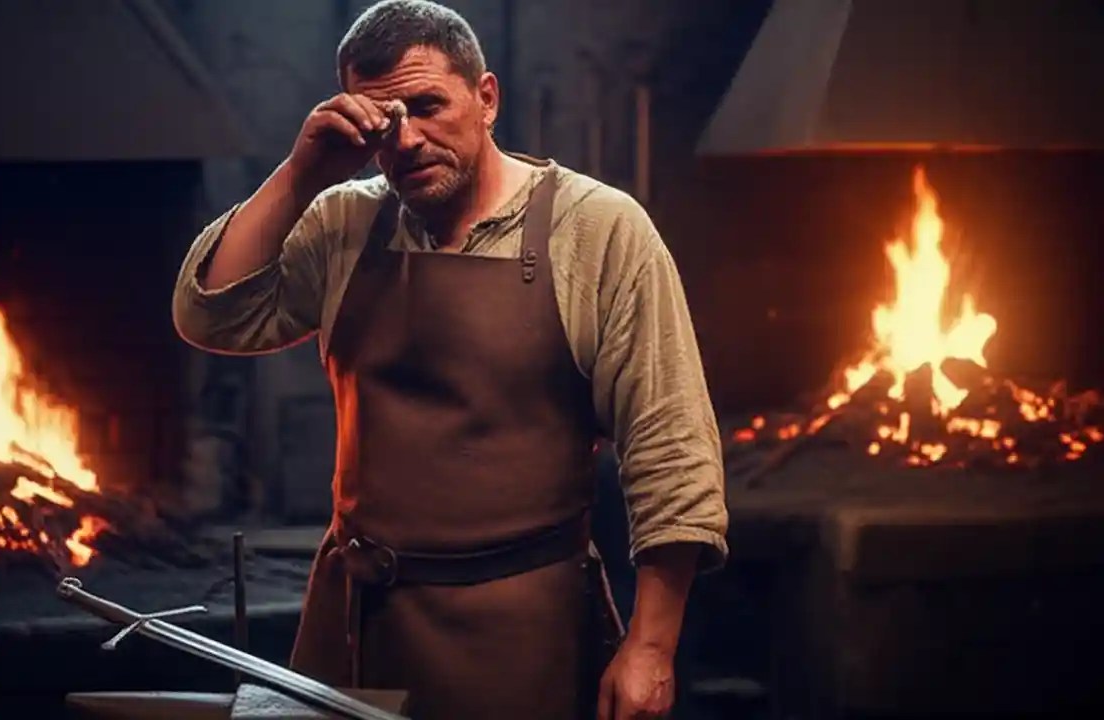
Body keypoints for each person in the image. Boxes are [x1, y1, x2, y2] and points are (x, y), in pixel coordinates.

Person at [172, 1, 728, 717]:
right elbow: (211, 314)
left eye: (428, 105)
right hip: (360, 628)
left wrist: (652, 647)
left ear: (486, 98)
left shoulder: (596, 228)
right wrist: (303, 169)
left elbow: (670, 441)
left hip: (526, 630)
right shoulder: (344, 221)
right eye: (383, 120)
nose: (407, 139)